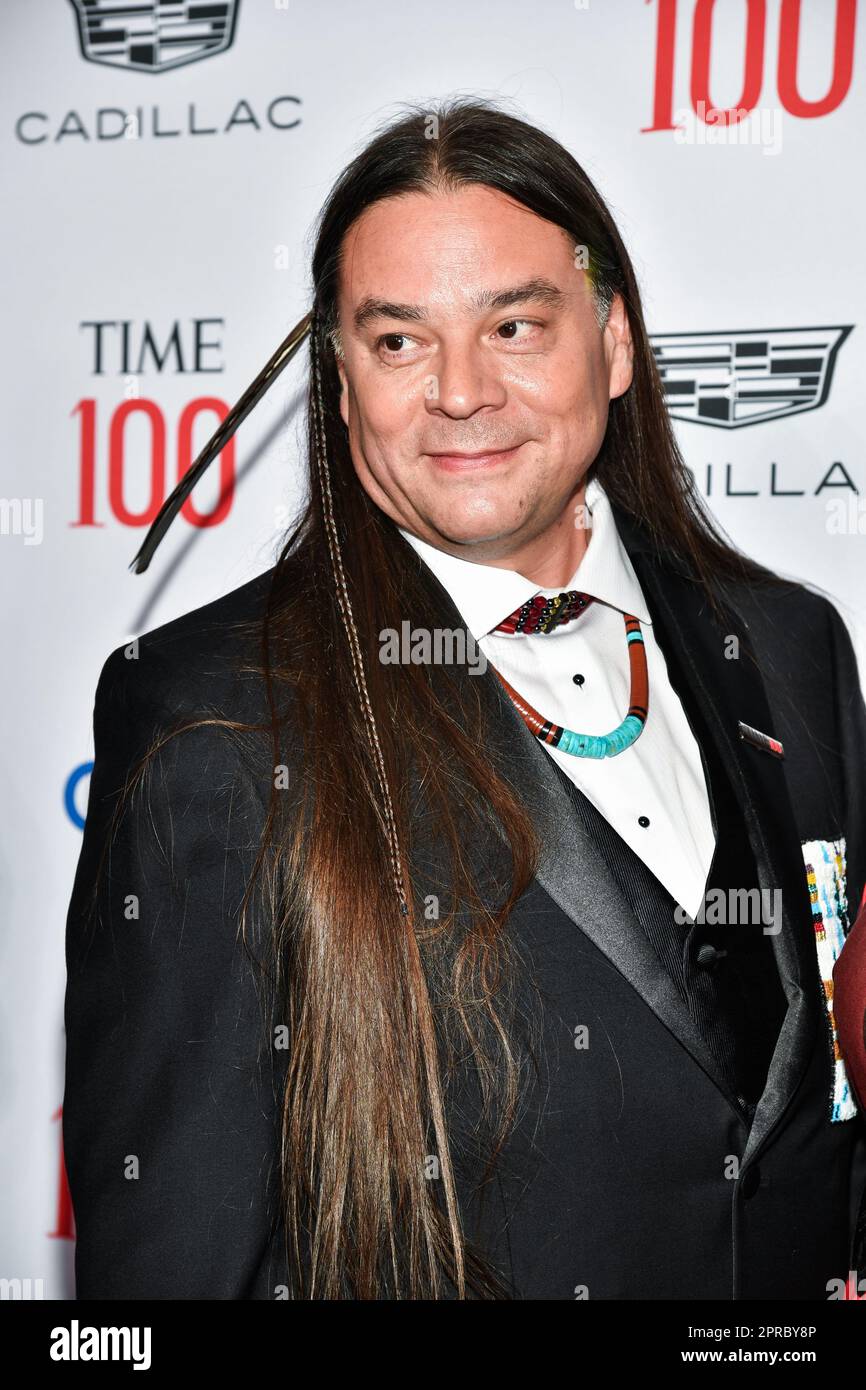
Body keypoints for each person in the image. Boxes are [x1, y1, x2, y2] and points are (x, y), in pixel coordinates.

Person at [63, 97, 866, 1301]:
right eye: (397, 342)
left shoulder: (792, 644)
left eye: (514, 325)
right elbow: (176, 1267)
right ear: (340, 387)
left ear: (611, 342)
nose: (457, 391)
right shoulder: (212, 717)